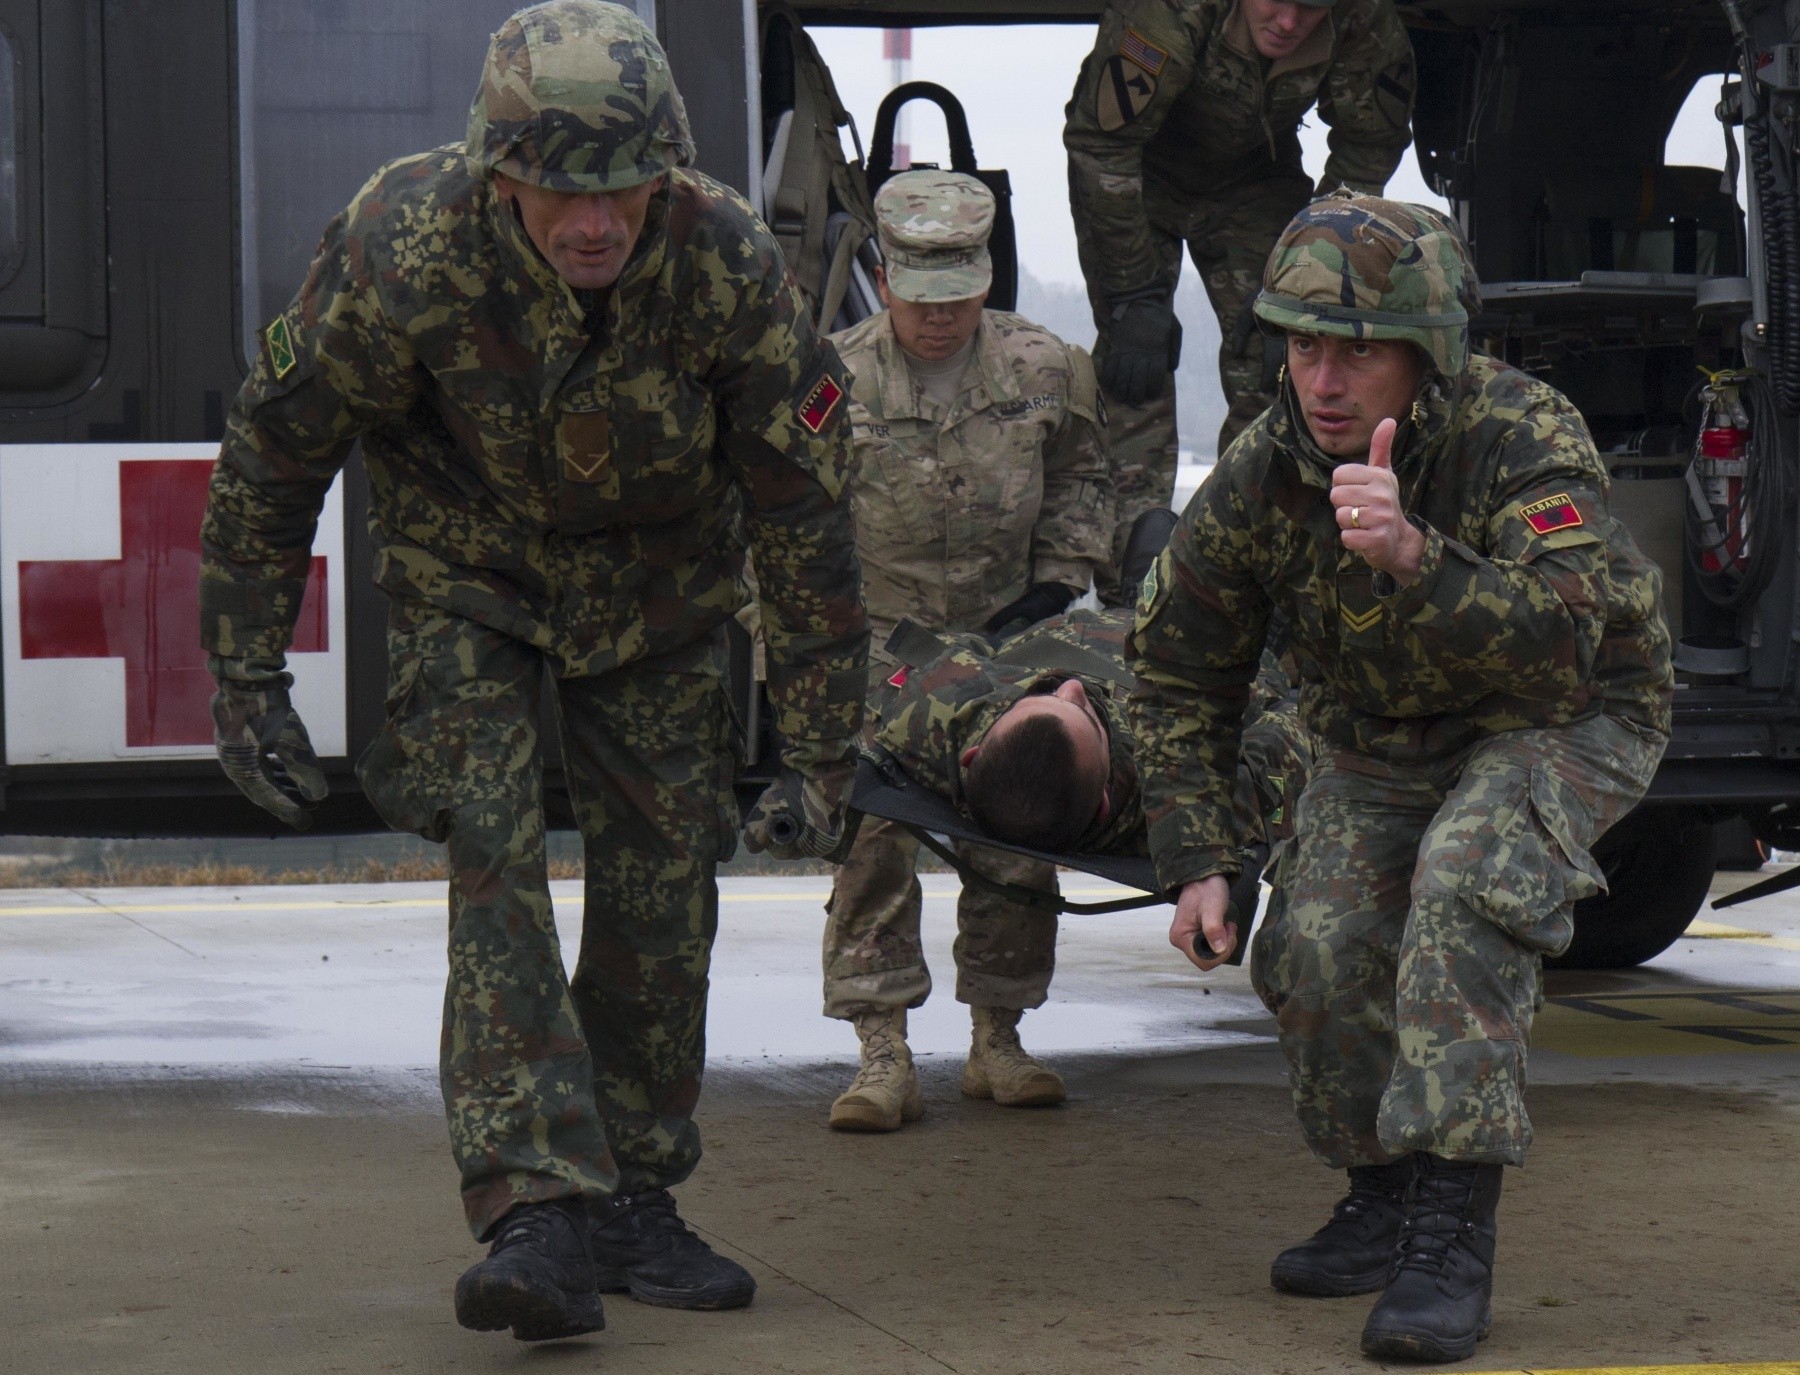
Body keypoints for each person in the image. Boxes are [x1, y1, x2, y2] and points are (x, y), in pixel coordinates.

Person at [199, 1, 869, 1345]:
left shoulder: (726, 264)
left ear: (665, 170)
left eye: (626, 181)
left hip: (662, 590)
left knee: (663, 883)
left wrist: (818, 743)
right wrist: (245, 667)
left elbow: (801, 508)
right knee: (495, 852)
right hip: (470, 579)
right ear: (497, 170)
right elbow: (278, 448)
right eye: (562, 185)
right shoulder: (401, 243)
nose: (596, 219)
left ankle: (630, 1193)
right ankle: (533, 1205)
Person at [1127, 192, 1672, 1363]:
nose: (1324, 379)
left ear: (1426, 353)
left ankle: (1446, 1233)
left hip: (1562, 713)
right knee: (1316, 942)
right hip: (1383, 728)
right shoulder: (1265, 468)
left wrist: (1419, 557)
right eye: (1304, 342)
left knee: (1462, 887)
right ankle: (1378, 1193)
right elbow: (1178, 670)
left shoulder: (1521, 434)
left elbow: (1566, 639)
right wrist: (1201, 859)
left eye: (1359, 349)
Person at [822, 170, 1111, 1132]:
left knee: (1021, 832)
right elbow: (780, 514)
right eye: (918, 298)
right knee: (875, 841)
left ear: (985, 281)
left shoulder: (1045, 367)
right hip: (880, 646)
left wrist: (1057, 584)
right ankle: (882, 1051)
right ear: (884, 274)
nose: (938, 318)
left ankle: (999, 1035)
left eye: (958, 297)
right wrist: (798, 642)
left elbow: (1082, 480)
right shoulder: (833, 379)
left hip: (1004, 639)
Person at [1064, 0, 1416, 603]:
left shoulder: (1363, 21)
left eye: (1309, 11)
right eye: (1275, 2)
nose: (1287, 23)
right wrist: (1133, 293)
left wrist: (1320, 274)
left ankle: (1245, 557)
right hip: (1136, 178)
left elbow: (1369, 144)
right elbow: (1102, 143)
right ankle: (1133, 570)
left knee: (1281, 359)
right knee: (1135, 362)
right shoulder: (1170, 14)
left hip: (1254, 179)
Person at [871, 604, 1310, 881]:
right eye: (1086, 716)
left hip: (1089, 621)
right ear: (1104, 802)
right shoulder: (1180, 805)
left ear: (972, 754)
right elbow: (1286, 740)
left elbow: (947, 652)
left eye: (1041, 697)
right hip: (1215, 640)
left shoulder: (933, 716)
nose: (1074, 687)